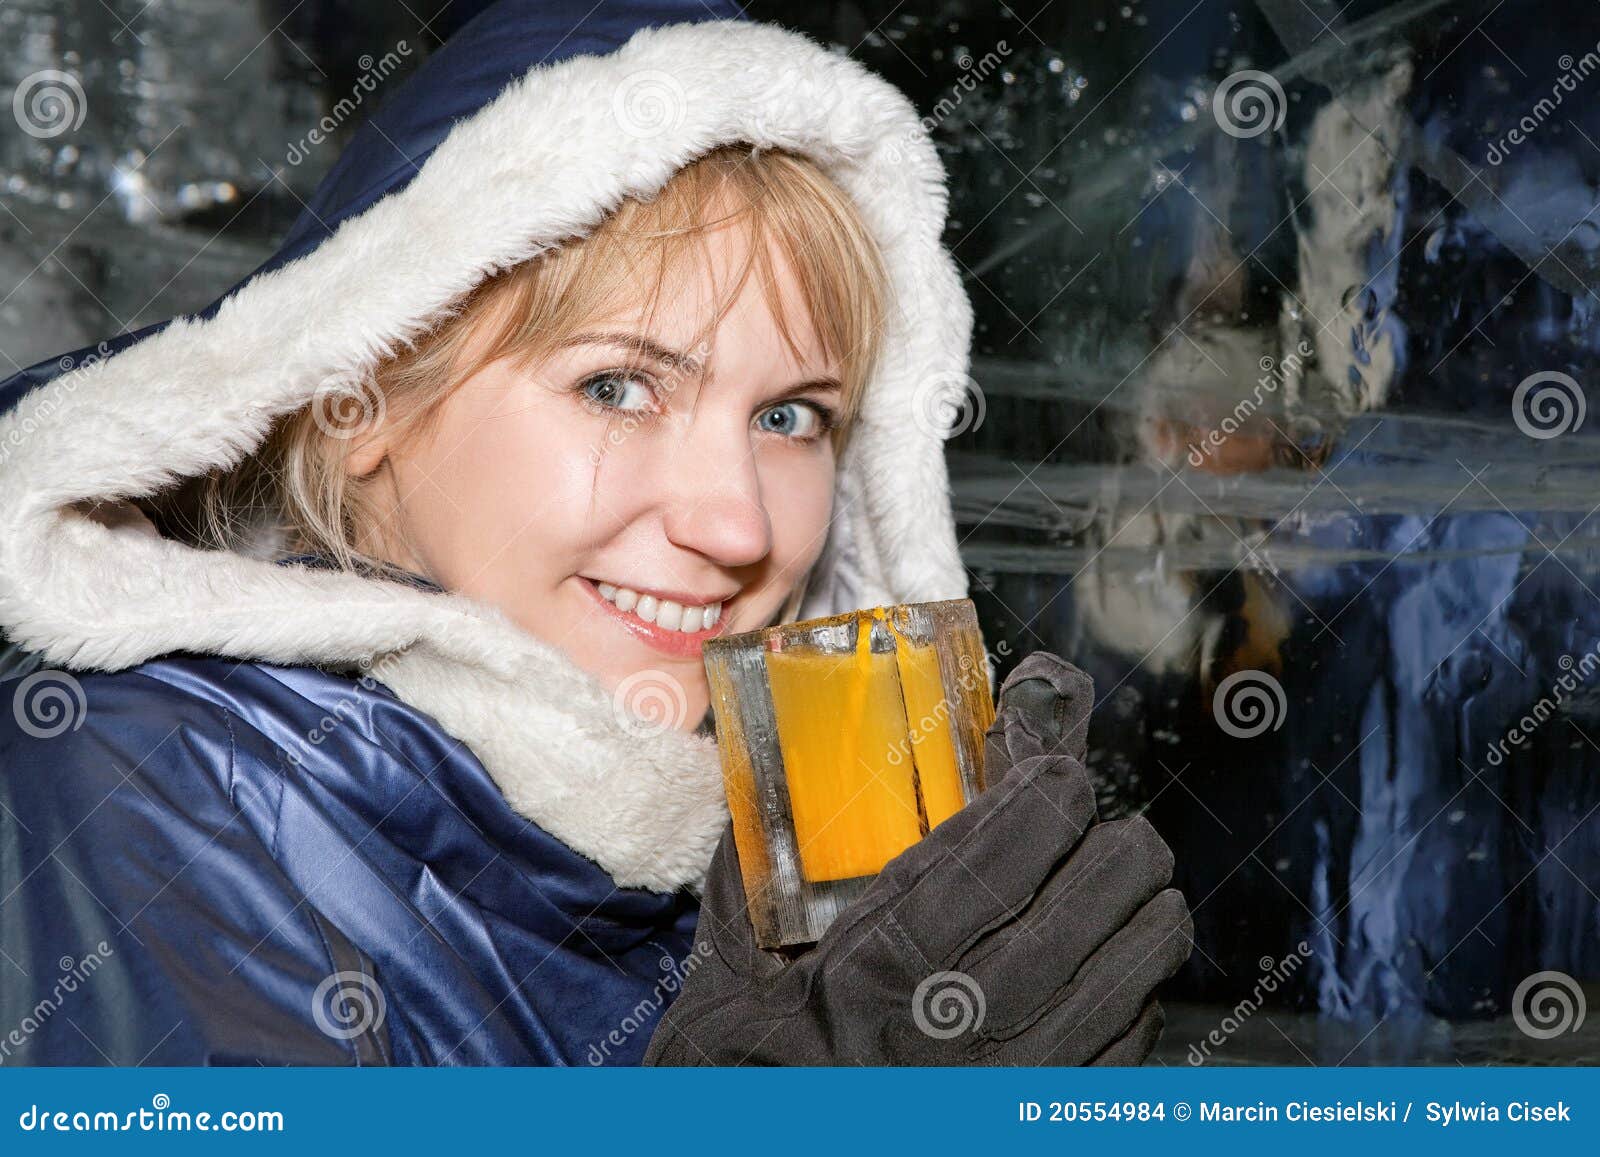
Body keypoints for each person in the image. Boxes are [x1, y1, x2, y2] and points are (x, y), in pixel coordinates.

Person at [0, 0, 1190, 1065]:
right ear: (361, 392)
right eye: (618, 387)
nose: (733, 522)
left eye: (791, 415)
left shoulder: (811, 805)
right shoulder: (143, 780)